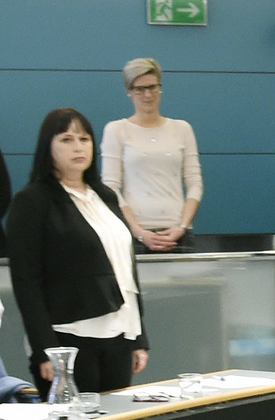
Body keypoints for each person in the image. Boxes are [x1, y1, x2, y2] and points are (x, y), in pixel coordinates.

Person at [6, 108, 151, 393]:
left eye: (84, 139)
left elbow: (125, 271)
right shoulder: (32, 201)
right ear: (47, 146)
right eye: (66, 139)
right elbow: (26, 283)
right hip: (67, 340)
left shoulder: (105, 196)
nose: (78, 147)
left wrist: (139, 338)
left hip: (120, 334)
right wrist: (43, 348)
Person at [101, 58, 203, 252]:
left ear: (159, 88)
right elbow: (110, 187)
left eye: (152, 87)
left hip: (179, 234)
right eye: (139, 89)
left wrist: (181, 227)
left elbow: (195, 183)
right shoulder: (116, 130)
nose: (147, 95)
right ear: (129, 92)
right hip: (135, 235)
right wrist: (138, 231)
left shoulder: (182, 129)